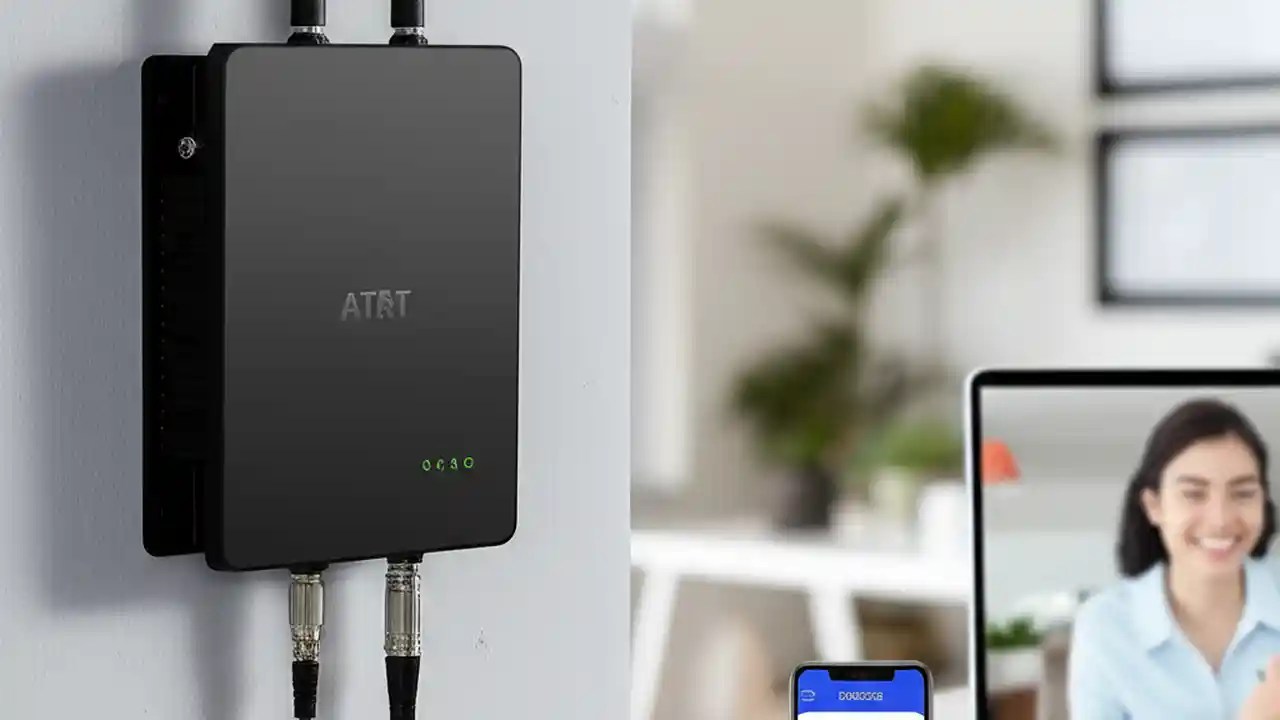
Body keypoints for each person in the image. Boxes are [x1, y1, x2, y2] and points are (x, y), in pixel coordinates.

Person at [1069, 398, 1280, 719]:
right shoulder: (1105, 626)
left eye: (1243, 493)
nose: (1221, 519)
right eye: (1194, 494)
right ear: (1154, 506)